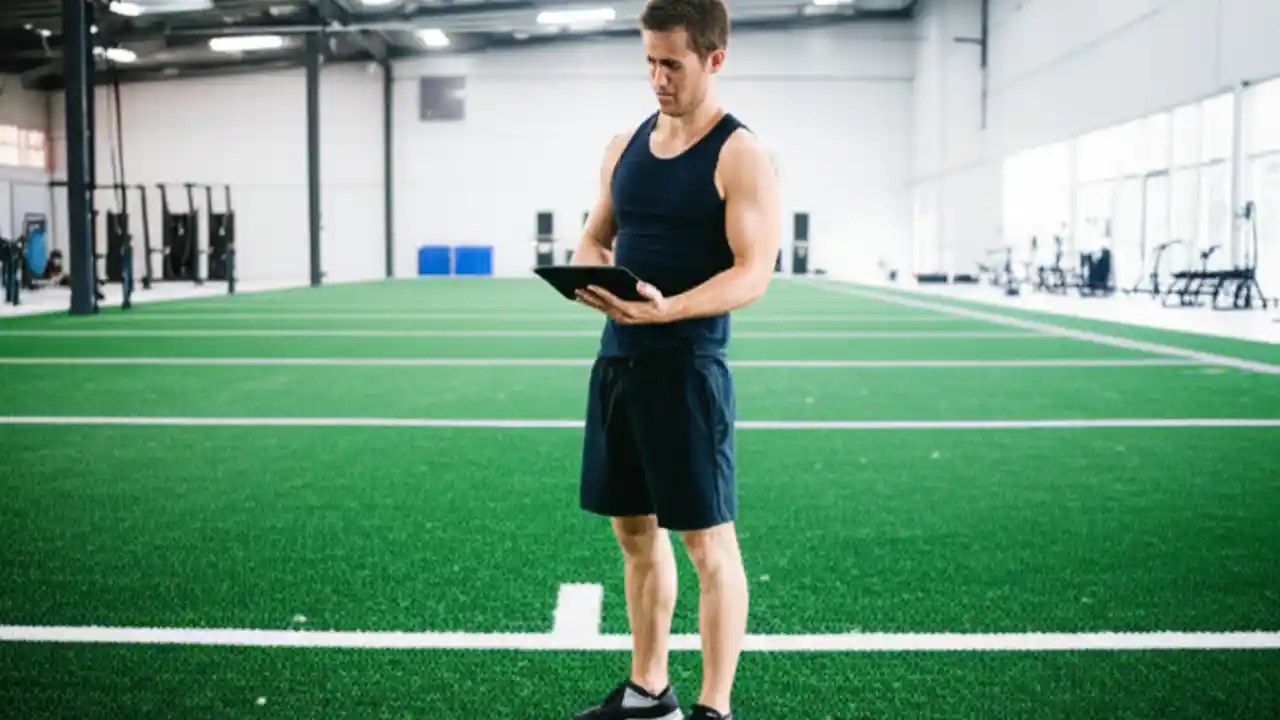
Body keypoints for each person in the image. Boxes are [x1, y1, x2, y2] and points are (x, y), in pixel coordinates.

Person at [568, 0, 780, 717]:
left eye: (673, 64)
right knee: (633, 534)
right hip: (619, 362)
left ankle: (714, 708)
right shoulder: (622, 145)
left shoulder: (739, 153)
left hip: (687, 369)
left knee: (707, 545)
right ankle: (649, 690)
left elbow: (753, 272)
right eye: (649, 62)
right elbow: (596, 236)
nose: (657, 78)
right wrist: (586, 272)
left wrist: (669, 308)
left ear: (714, 59)